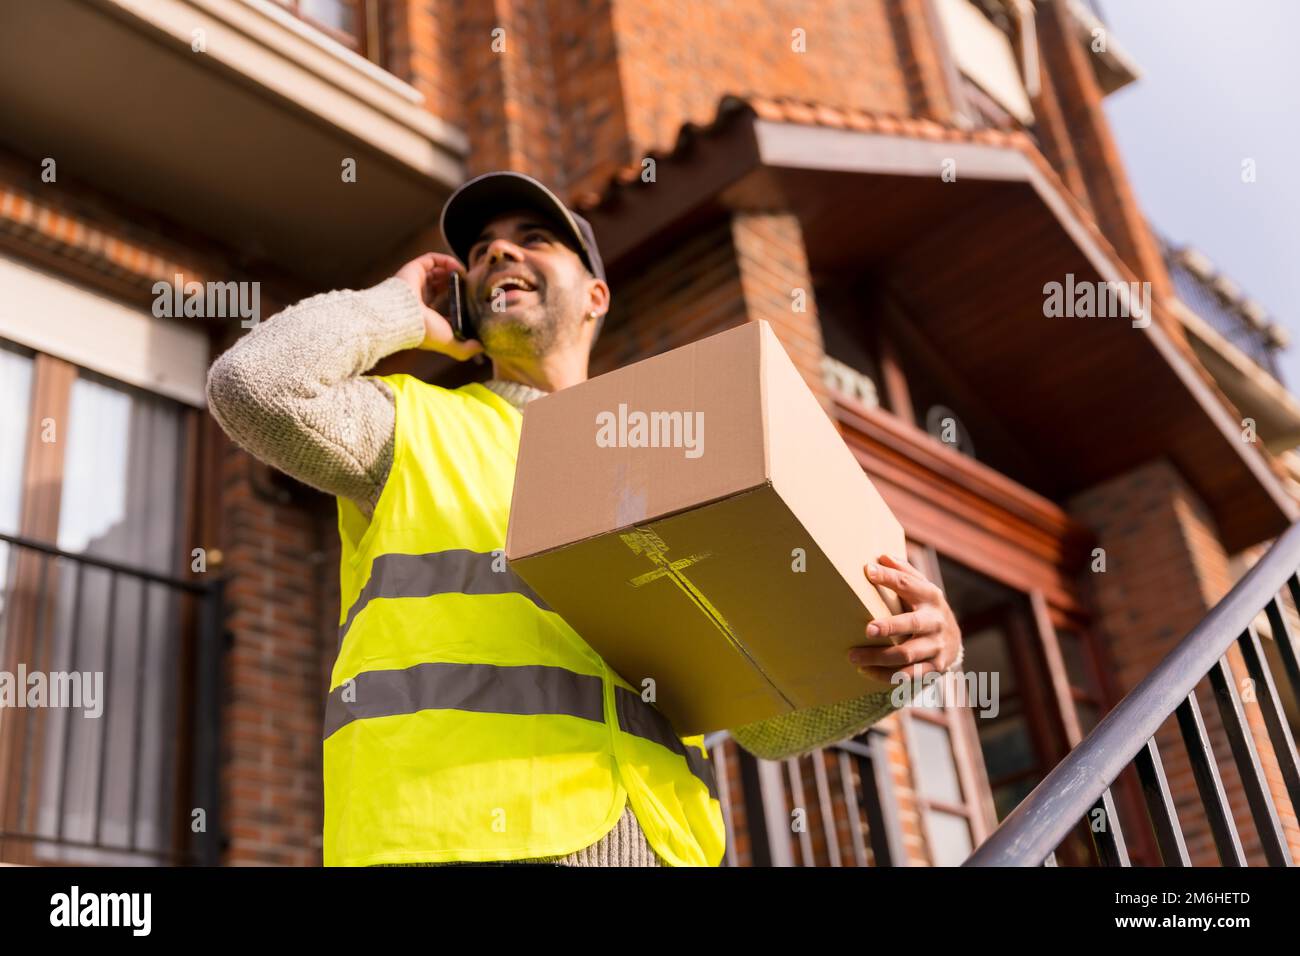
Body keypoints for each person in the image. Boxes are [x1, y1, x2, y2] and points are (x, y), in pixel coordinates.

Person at [206, 170, 963, 867]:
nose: (499, 249)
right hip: (451, 840)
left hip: (657, 847)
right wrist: (396, 310)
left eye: (534, 239)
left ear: (596, 296)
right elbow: (254, 386)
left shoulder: (663, 461)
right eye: (479, 250)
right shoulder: (410, 426)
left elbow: (772, 724)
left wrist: (905, 665)